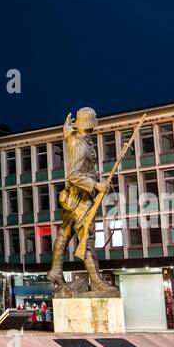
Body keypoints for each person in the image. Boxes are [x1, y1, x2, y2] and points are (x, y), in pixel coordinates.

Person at [46, 107, 116, 293]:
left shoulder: (76, 139)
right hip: (79, 198)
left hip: (72, 198)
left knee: (65, 233)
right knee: (87, 236)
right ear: (91, 124)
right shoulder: (81, 145)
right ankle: (96, 281)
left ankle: (55, 270)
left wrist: (67, 127)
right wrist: (96, 185)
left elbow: (68, 134)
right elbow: (73, 174)